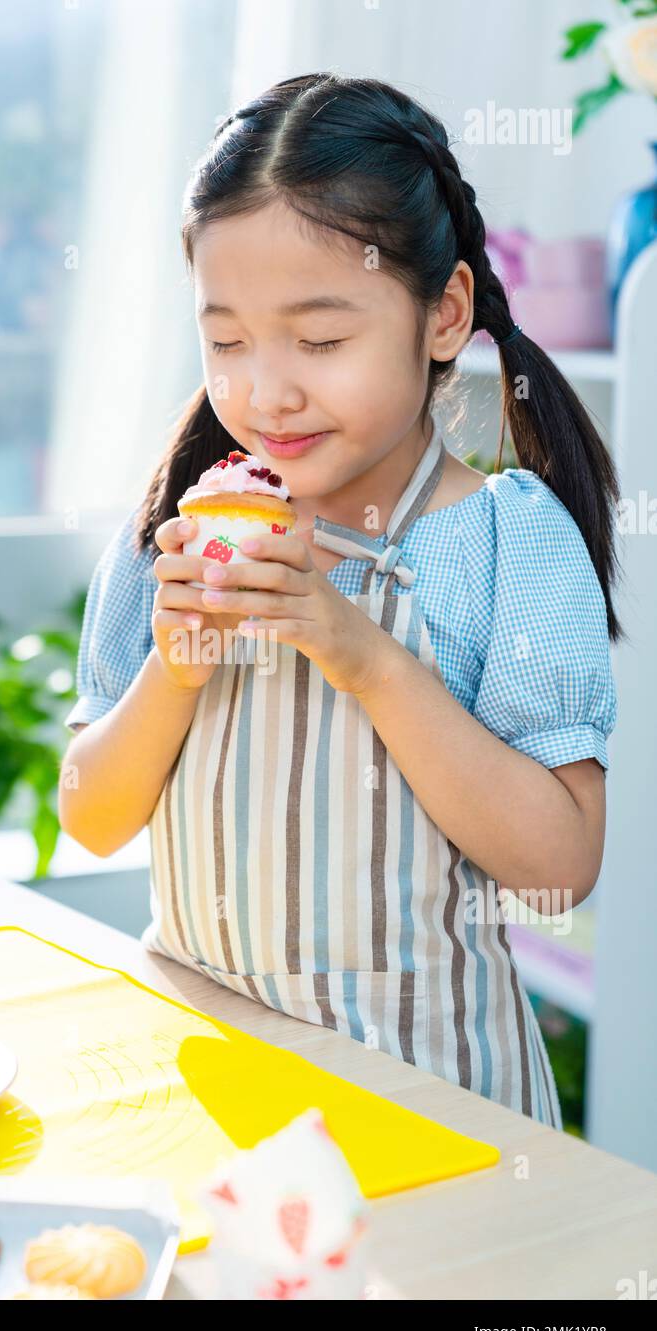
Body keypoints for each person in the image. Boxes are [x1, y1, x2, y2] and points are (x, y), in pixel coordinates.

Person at [59, 74, 620, 1130]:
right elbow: (91, 816)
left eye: (320, 342)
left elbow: (560, 864)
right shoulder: (169, 537)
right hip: (215, 1088)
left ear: (443, 313)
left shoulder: (507, 538)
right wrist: (175, 669)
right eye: (227, 341)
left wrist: (363, 652)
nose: (266, 392)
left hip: (441, 1104)